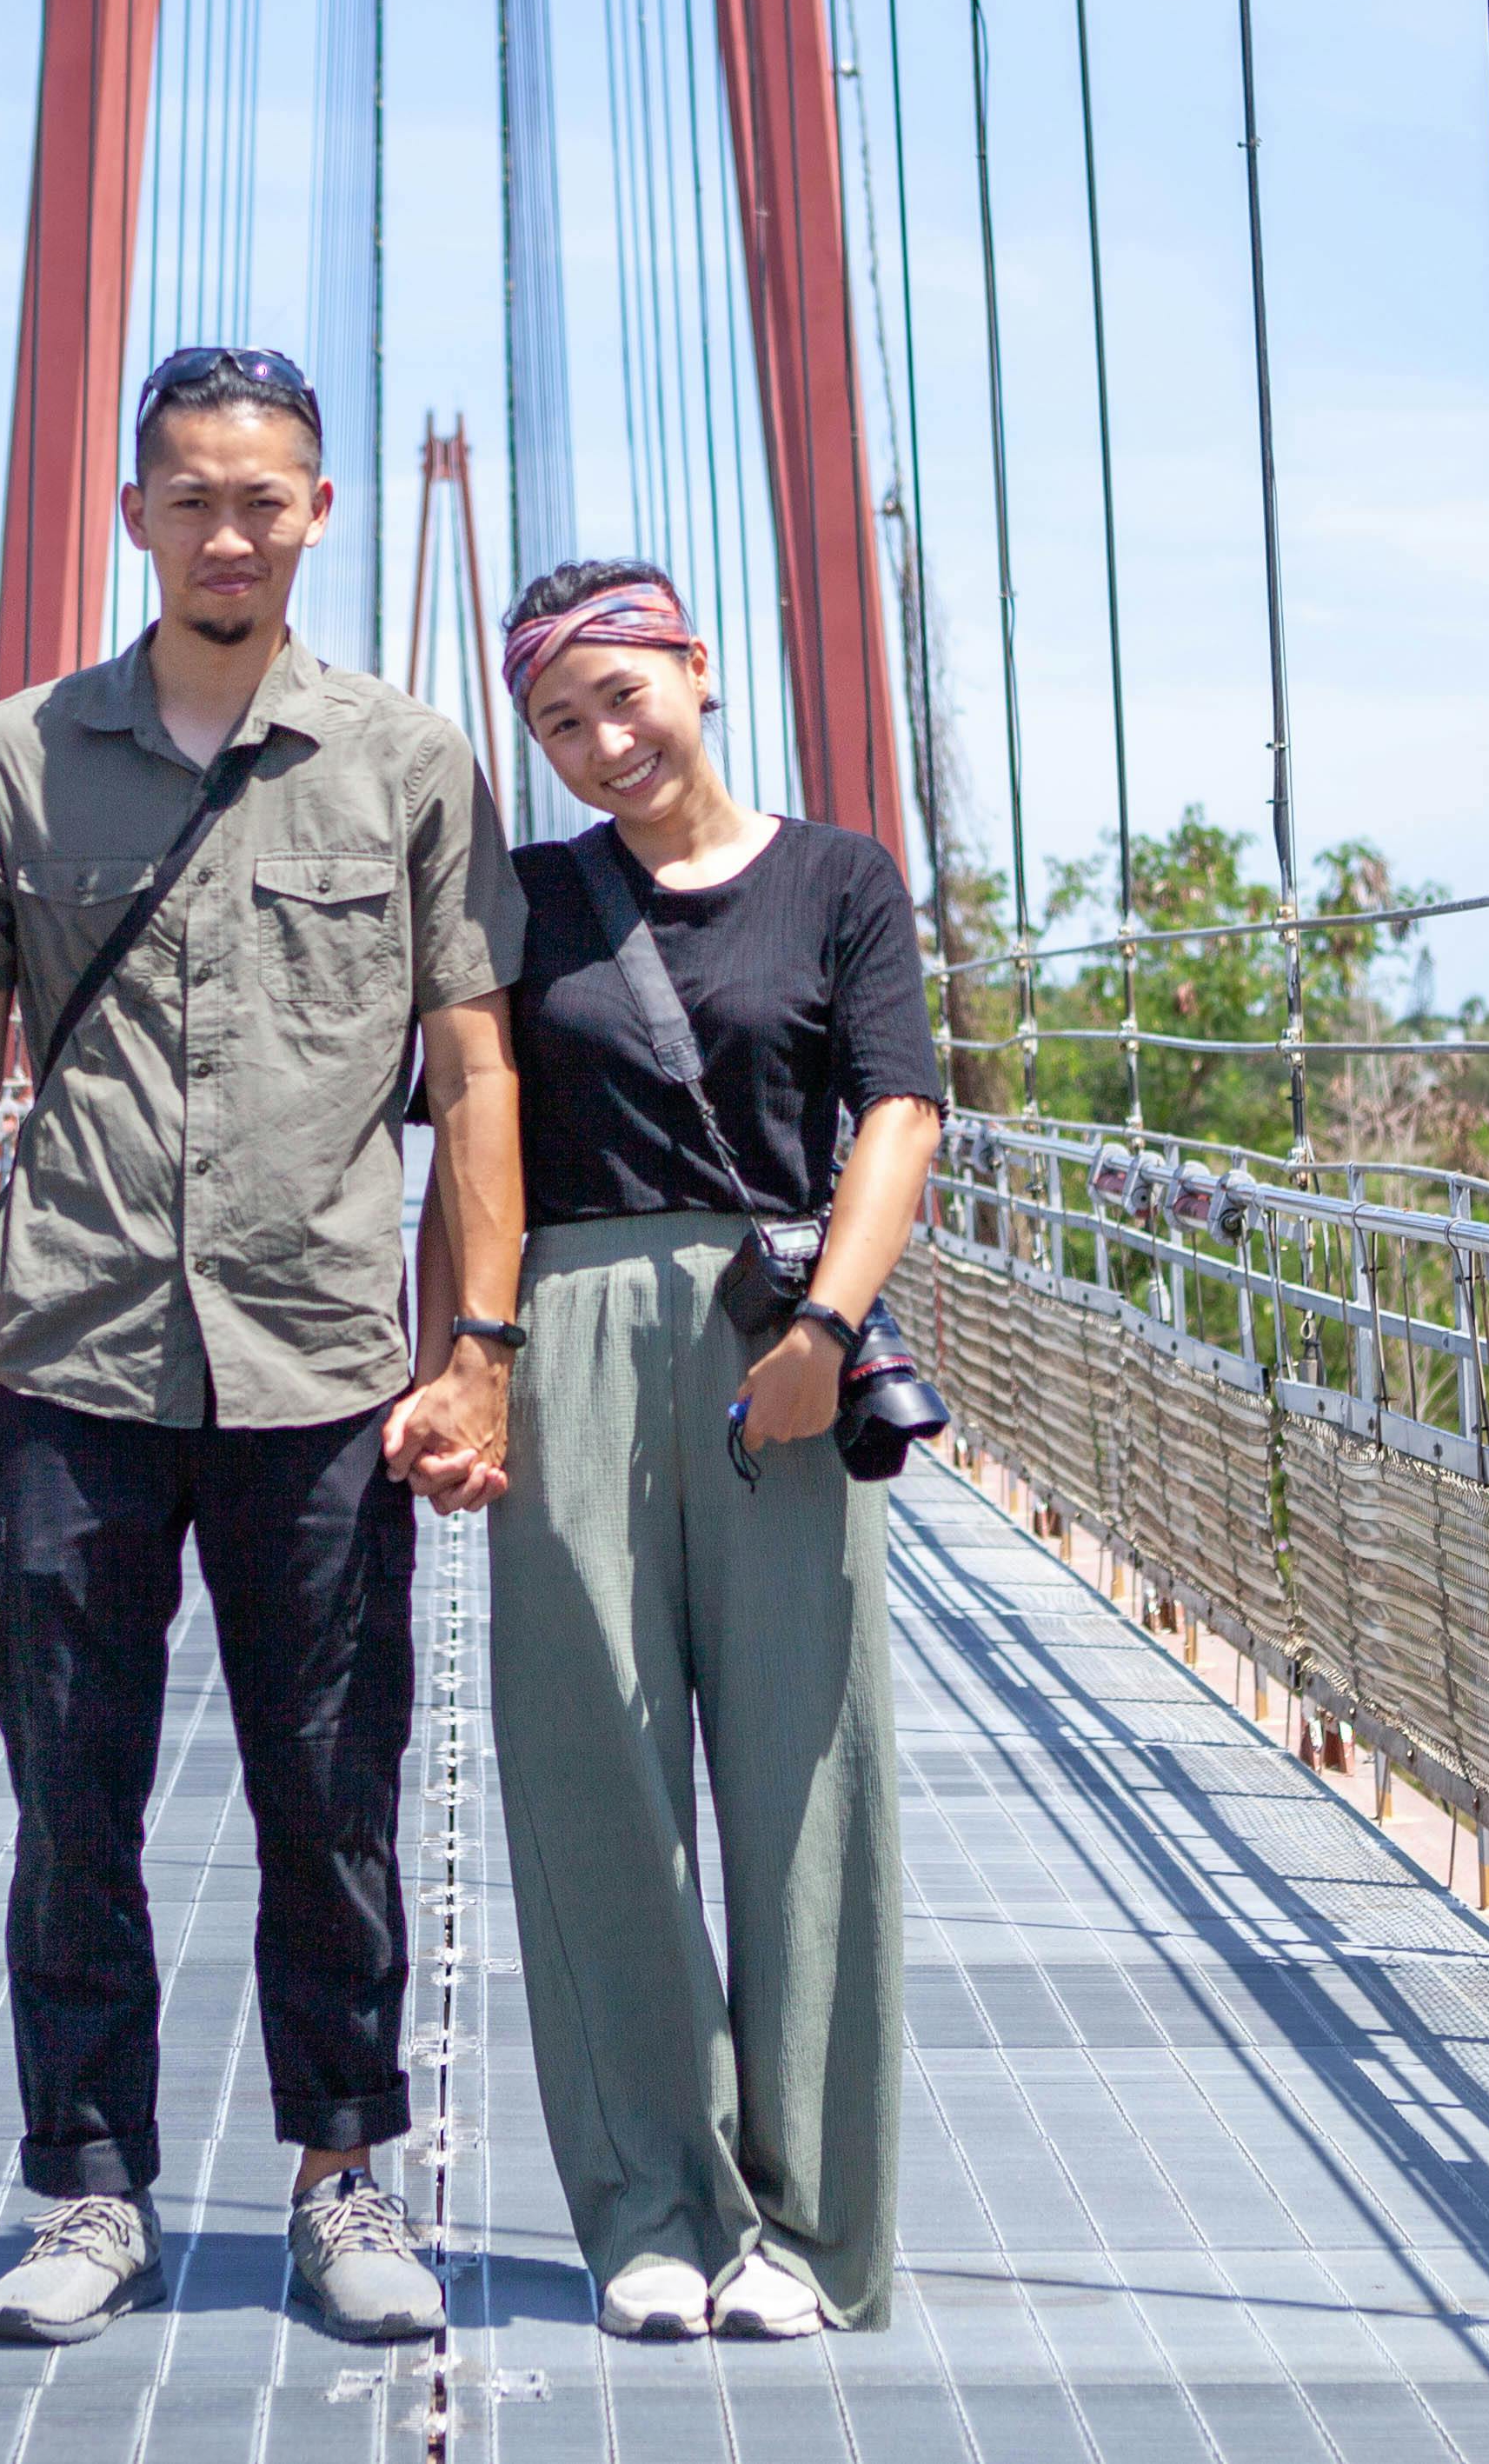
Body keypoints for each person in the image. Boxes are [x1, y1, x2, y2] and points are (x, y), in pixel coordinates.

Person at [0, 344, 528, 2349]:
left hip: (322, 1359)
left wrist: (474, 1344)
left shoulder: (411, 758)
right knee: (68, 1791)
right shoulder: (17, 754)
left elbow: (474, 1065)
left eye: (261, 496)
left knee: (326, 1790)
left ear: (314, 510)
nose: (225, 527)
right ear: (134, 510)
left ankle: (343, 2178)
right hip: (63, 1347)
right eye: (188, 493)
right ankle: (87, 2189)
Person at [438, 558, 943, 2340]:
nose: (596, 743)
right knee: (596, 1772)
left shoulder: (837, 878)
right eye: (557, 723)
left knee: (808, 1771)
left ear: (697, 670)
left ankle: (810, 2233)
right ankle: (651, 2207)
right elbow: (458, 1114)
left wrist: (824, 1331)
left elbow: (896, 1104)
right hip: (568, 1322)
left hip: (772, 1326)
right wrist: (464, 1356)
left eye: (620, 697)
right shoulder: (517, 897)